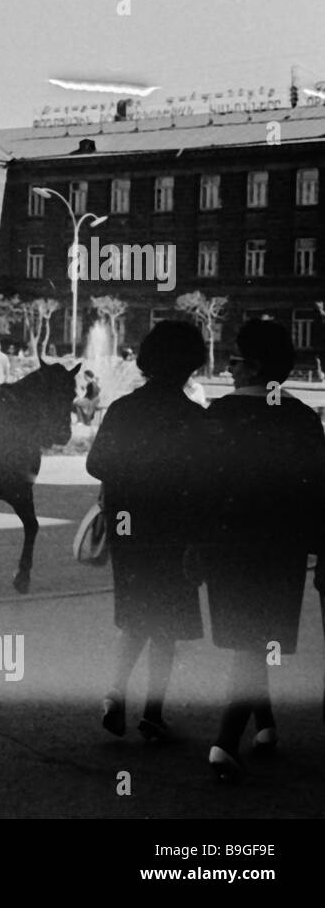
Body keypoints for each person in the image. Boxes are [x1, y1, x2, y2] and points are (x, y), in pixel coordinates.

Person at [193, 320, 325, 779]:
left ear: (255, 365)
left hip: (225, 542)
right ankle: (264, 723)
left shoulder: (216, 416)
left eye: (235, 357)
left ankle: (226, 739)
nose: (227, 364)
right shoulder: (304, 418)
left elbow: (195, 488)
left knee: (246, 638)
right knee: (259, 635)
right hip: (280, 548)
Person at [87, 321, 208, 743]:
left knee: (136, 616)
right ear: (192, 364)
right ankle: (153, 713)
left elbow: (96, 464)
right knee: (168, 625)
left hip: (129, 530)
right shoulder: (194, 417)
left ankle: (116, 694)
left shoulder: (122, 409)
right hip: (175, 534)